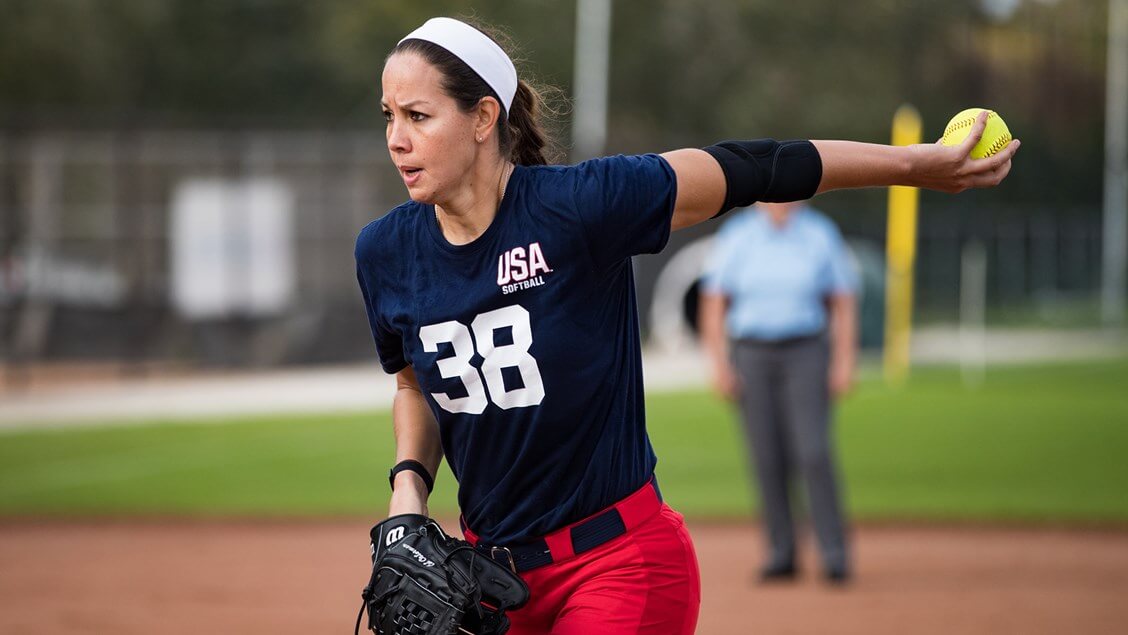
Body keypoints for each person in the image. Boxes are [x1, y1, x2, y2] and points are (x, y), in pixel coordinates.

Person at [356, 16, 1018, 635]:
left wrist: (914, 166)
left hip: (617, 564)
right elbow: (415, 386)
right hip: (492, 582)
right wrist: (409, 485)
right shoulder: (385, 252)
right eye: (389, 116)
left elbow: (757, 167)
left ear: (482, 117)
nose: (396, 139)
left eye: (418, 115)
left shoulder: (580, 208)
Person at [698, 200, 859, 585]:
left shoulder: (819, 233)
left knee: (813, 451)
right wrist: (718, 363)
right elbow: (715, 301)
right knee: (766, 455)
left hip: (805, 349)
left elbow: (843, 299)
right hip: (752, 352)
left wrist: (844, 360)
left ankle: (834, 552)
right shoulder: (738, 235)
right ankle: (781, 551)